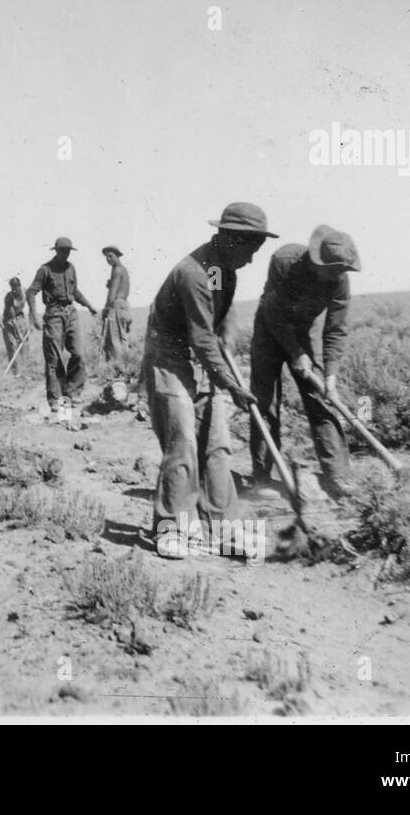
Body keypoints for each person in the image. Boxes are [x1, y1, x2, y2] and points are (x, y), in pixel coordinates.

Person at [141, 203, 276, 559]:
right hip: (169, 359)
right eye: (250, 247)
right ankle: (171, 526)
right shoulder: (194, 272)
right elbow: (201, 337)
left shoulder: (221, 269)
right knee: (183, 442)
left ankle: (222, 527)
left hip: (200, 359)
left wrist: (227, 344)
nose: (252, 257)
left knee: (217, 444)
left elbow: (219, 316)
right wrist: (231, 384)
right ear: (229, 238)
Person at [250, 225, 362, 500]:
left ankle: (338, 474)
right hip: (269, 329)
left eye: (341, 271)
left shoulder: (339, 279)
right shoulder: (285, 261)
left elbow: (336, 329)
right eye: (332, 269)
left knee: (321, 397)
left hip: (304, 330)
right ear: (316, 260)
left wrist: (330, 376)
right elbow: (274, 313)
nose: (336, 275)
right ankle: (263, 476)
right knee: (265, 402)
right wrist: (295, 352)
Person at [25, 237, 101, 412]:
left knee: (79, 354)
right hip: (53, 314)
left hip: (71, 312)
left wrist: (89, 305)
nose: (65, 254)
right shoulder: (45, 270)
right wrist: (34, 316)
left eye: (68, 251)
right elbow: (30, 292)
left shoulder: (71, 268)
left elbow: (74, 291)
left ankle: (72, 391)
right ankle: (56, 398)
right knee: (54, 358)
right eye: (63, 251)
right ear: (56, 251)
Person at [101, 245, 133, 365]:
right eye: (106, 257)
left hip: (117, 307)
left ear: (117, 256)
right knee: (123, 340)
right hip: (125, 307)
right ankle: (126, 369)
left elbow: (112, 294)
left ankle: (118, 371)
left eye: (111, 256)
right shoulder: (122, 270)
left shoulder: (117, 269)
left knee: (115, 341)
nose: (108, 259)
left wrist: (106, 308)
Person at [1, 277, 29, 371]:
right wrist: (19, 335)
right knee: (12, 345)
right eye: (12, 287)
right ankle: (15, 372)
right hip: (9, 321)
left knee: (24, 346)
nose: (14, 290)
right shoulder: (9, 297)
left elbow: (32, 306)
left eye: (15, 287)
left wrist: (30, 324)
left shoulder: (25, 292)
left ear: (19, 286)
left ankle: (24, 370)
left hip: (21, 319)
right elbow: (12, 318)